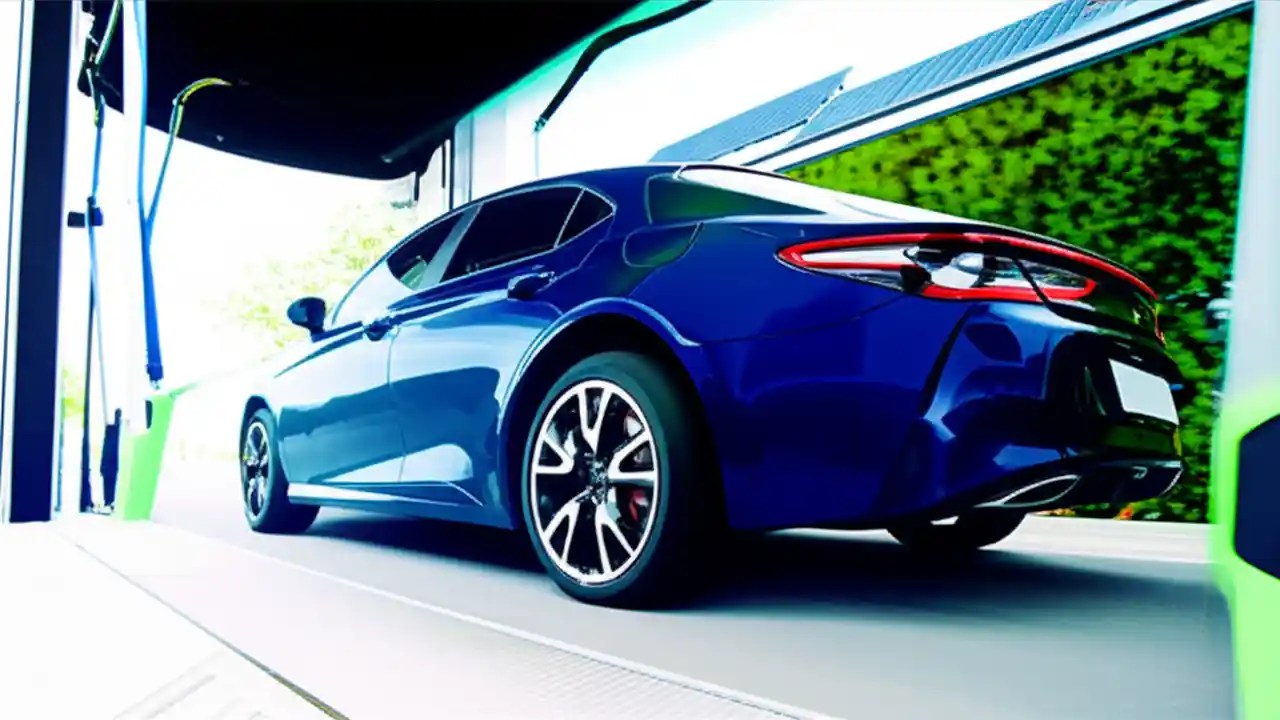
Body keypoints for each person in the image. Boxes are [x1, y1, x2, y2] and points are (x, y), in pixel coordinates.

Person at [98, 408, 122, 513]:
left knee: (109, 483)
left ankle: (109, 502)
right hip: (112, 464)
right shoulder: (114, 432)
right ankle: (110, 502)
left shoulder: (111, 431)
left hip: (110, 465)